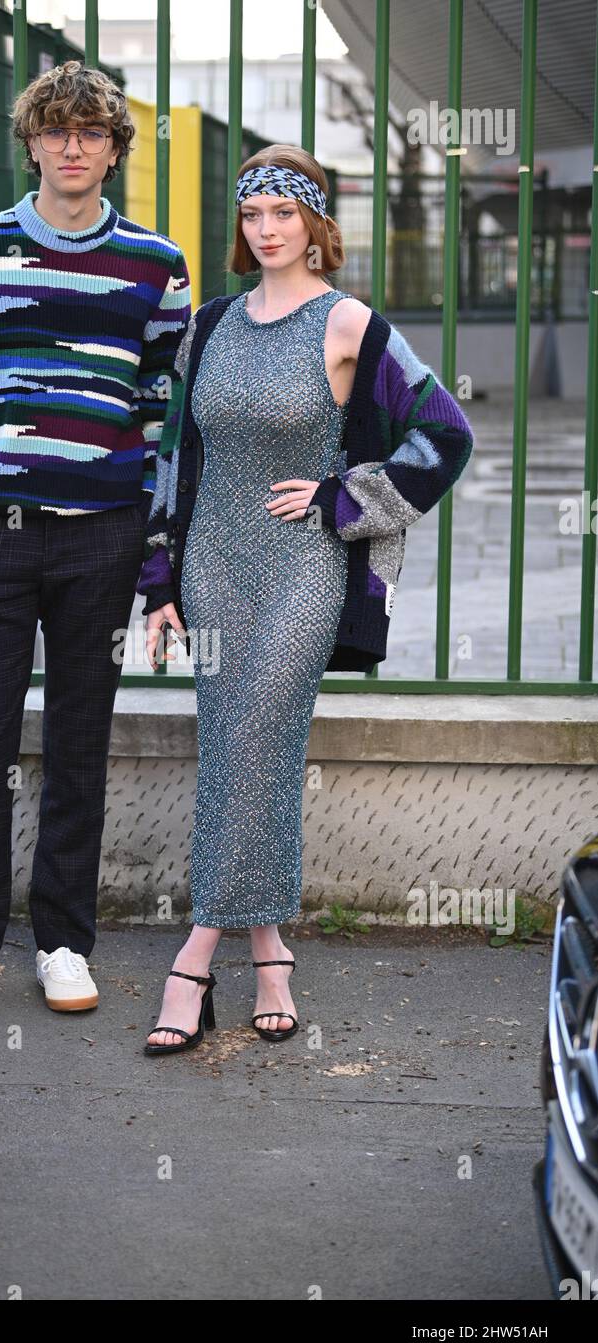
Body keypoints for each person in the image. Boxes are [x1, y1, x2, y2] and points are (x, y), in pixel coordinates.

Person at [137, 145, 474, 1055]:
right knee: (241, 747)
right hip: (212, 566)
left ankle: (194, 955)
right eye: (252, 216)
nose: (267, 230)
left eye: (284, 214)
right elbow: (172, 453)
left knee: (255, 735)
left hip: (302, 568)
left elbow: (444, 433)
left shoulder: (349, 324)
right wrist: (160, 578)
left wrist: (340, 499)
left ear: (315, 224)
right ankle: (271, 950)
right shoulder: (207, 326)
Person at [0, 61, 191, 1016]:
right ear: (29, 141)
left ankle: (64, 939)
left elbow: (158, 411)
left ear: (114, 149)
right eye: (56, 130)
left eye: (93, 132)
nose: (73, 146)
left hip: (98, 536)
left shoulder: (156, 265)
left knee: (80, 740)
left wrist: (148, 542)